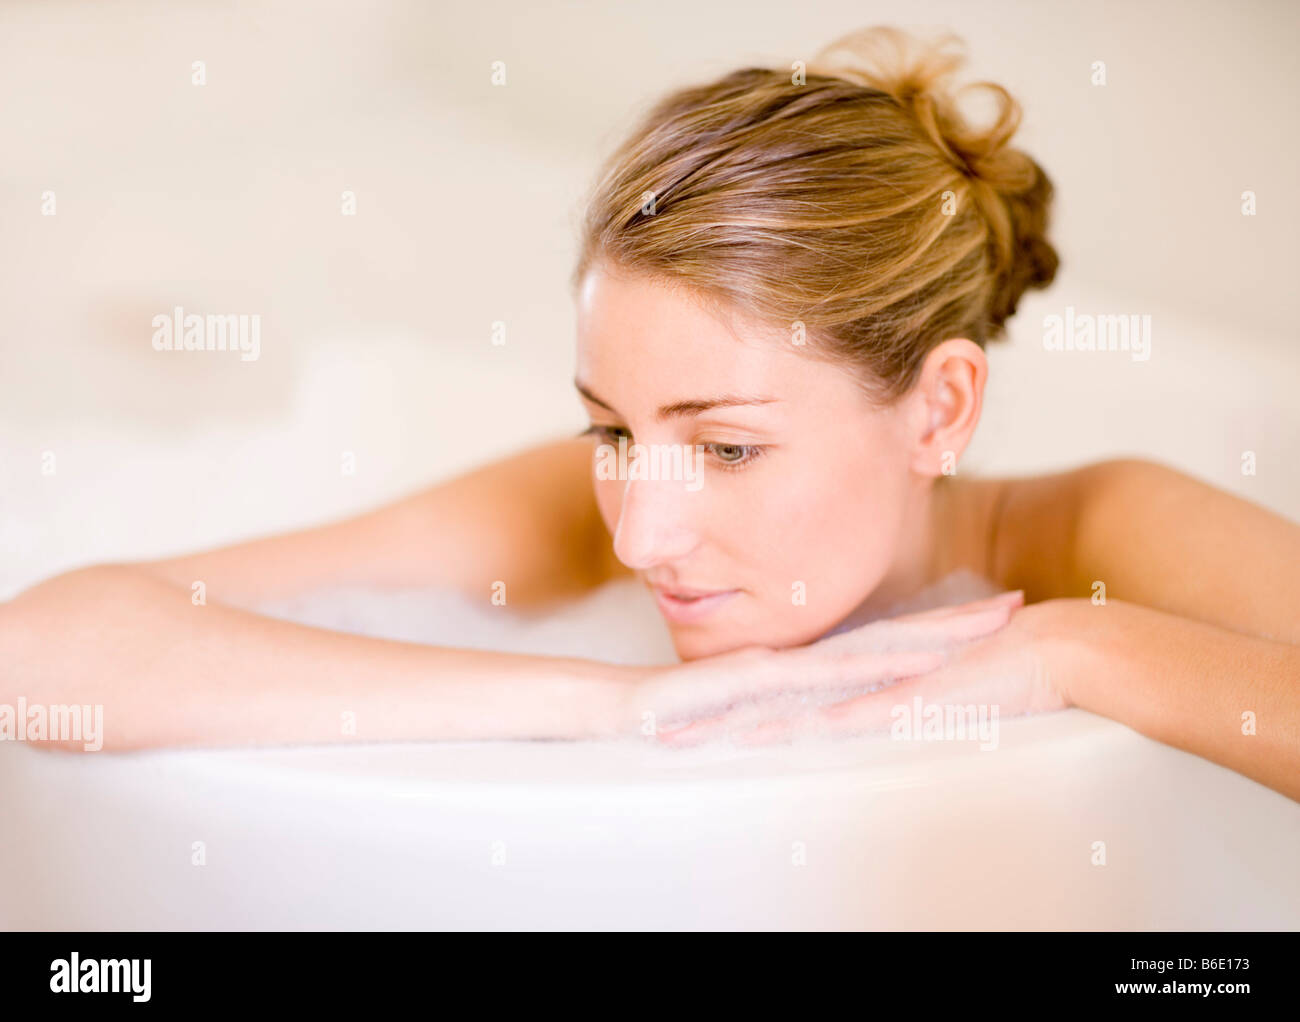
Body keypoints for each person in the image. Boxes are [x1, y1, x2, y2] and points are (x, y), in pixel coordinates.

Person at [4, 27, 1297, 803]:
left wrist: (1078, 650)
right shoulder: (567, 525)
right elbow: (38, 653)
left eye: (727, 446)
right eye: (613, 432)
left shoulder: (1097, 535)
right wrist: (605, 702)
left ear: (940, 407)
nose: (638, 537)